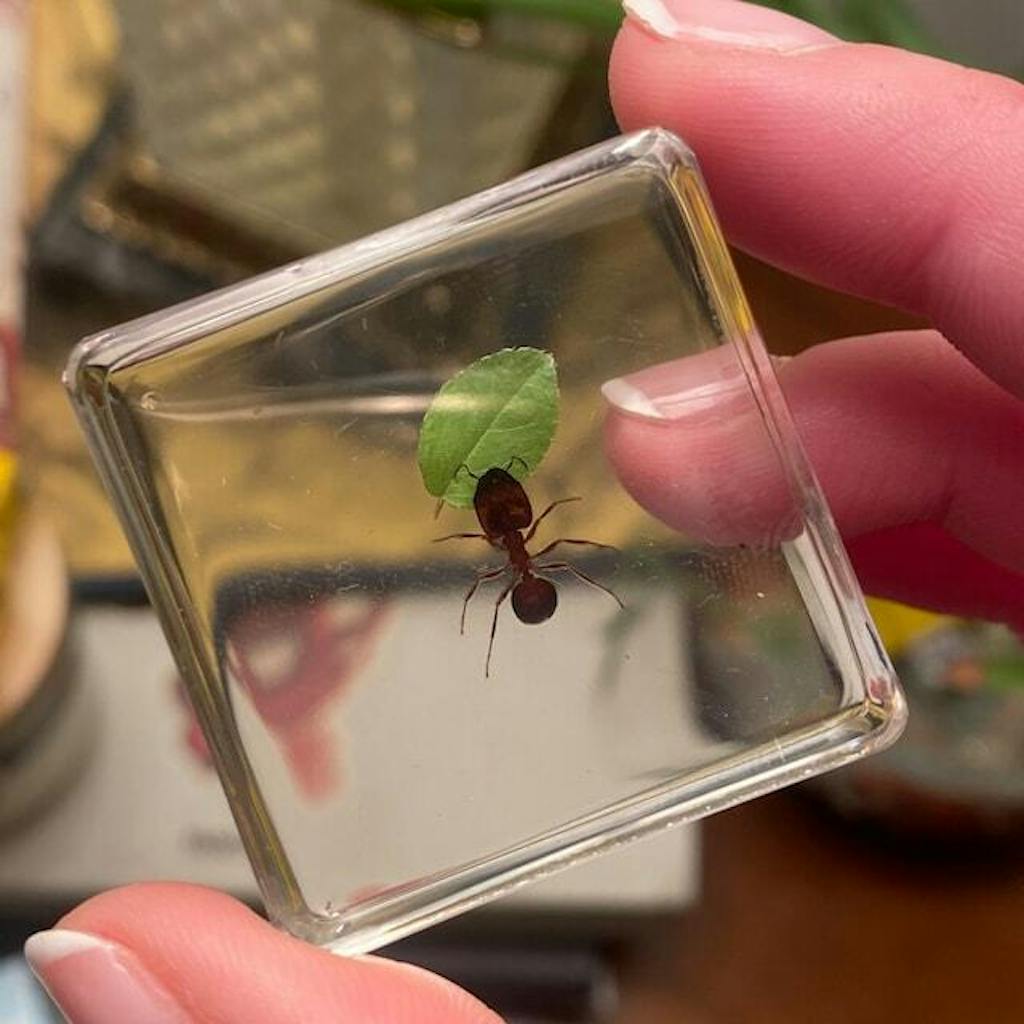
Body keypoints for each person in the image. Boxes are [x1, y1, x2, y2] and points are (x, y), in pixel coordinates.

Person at [22, 1, 1024, 1019]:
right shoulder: (518, 541)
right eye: (520, 551)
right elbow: (520, 532)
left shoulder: (521, 547)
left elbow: (524, 536)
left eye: (519, 554)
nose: (515, 548)